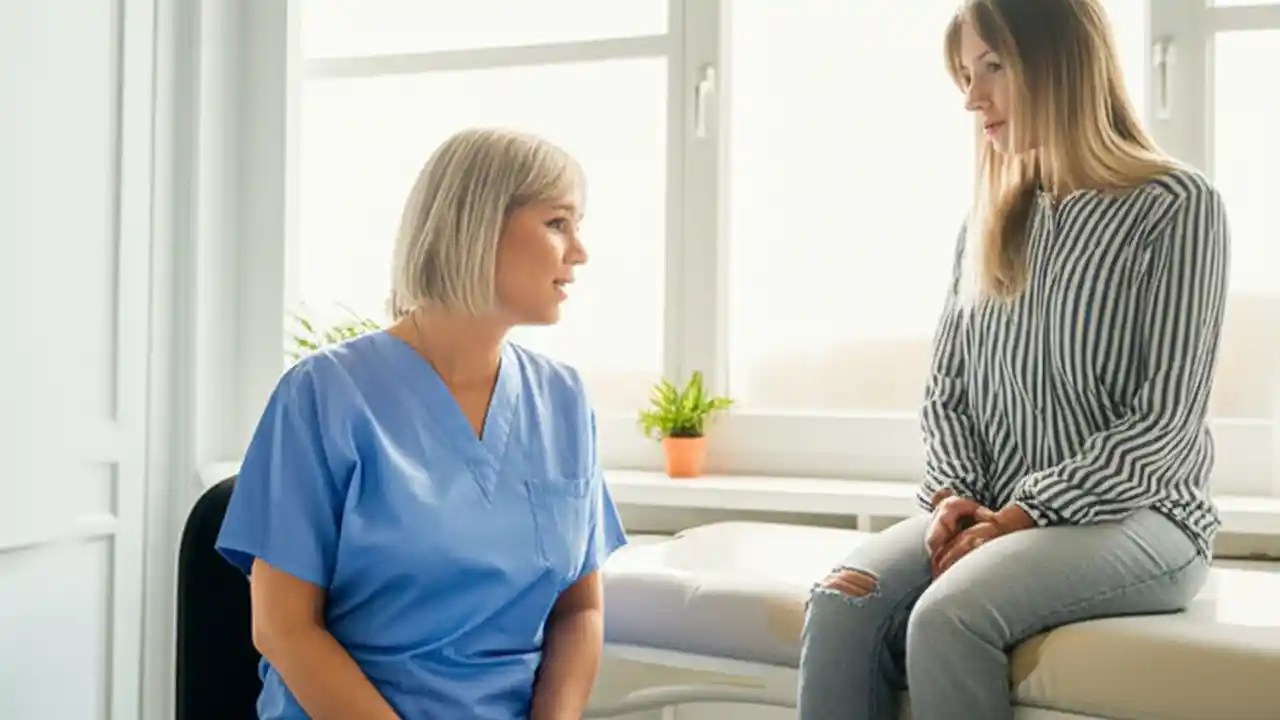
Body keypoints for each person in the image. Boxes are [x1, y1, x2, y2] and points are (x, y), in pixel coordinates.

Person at [796, 1, 1229, 718]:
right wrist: (953, 500)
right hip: (998, 512)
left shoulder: (1176, 206)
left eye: (991, 67)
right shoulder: (991, 218)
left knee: (947, 616)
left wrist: (1026, 514)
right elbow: (948, 394)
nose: (972, 98)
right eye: (965, 75)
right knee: (844, 601)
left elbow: (1165, 423)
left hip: (1145, 518)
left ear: (1063, 58)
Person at [216, 127, 629, 719]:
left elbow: (579, 611)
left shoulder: (562, 400)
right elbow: (283, 629)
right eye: (558, 223)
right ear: (477, 225)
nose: (579, 251)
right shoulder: (324, 396)